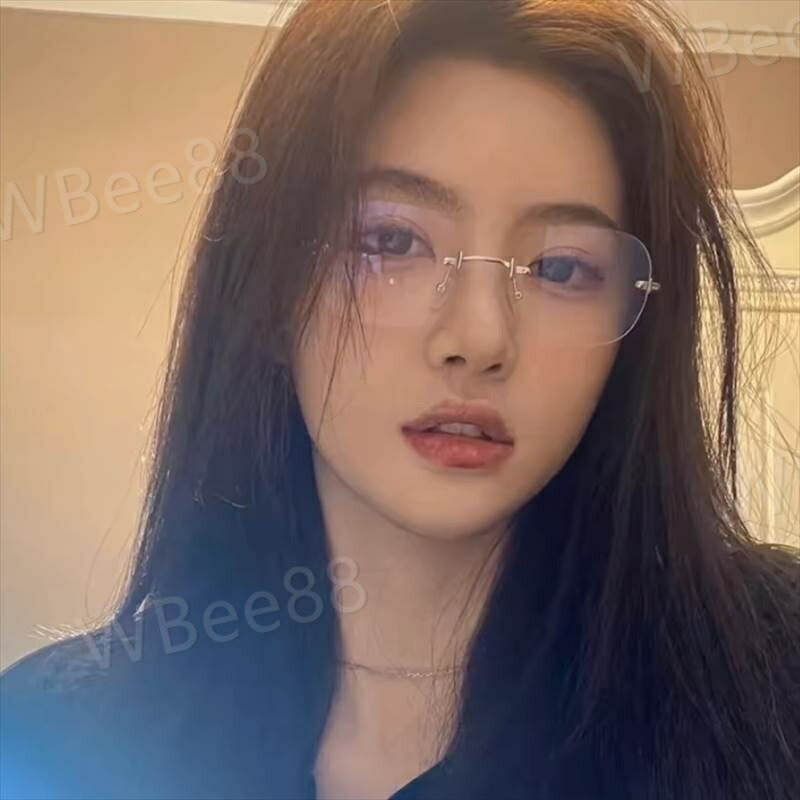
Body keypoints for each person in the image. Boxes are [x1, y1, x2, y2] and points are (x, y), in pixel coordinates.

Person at [1, 0, 798, 798]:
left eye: (560, 269)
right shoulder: (56, 738)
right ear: (270, 290)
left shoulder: (771, 677)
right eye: (391, 241)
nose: (479, 338)